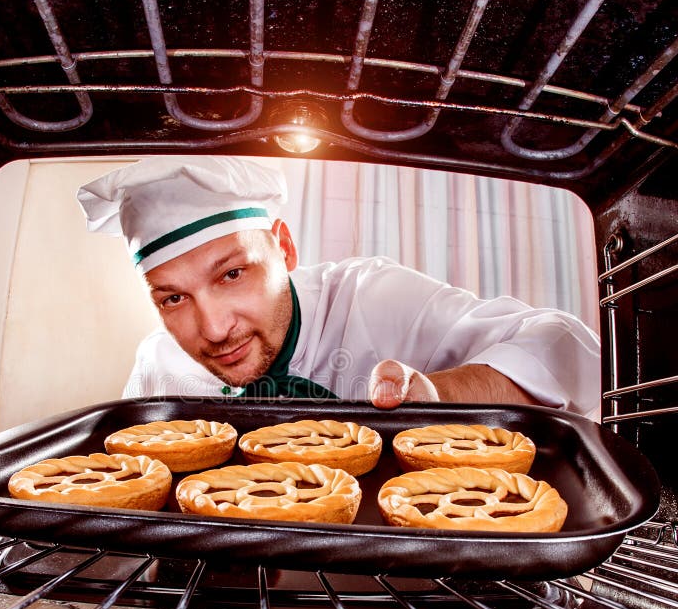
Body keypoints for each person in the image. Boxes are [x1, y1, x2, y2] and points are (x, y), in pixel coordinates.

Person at [78, 156, 600, 415]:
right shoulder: (157, 366)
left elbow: (569, 346)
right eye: (174, 297)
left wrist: (440, 395)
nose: (214, 330)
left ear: (283, 248)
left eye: (233, 274)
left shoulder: (371, 298)